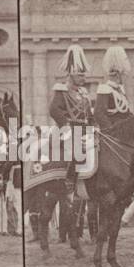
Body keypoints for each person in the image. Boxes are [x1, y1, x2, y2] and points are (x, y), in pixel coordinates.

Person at [49, 44, 95, 198]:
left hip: (84, 131)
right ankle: (69, 182)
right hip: (67, 130)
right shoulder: (61, 91)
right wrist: (66, 126)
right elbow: (54, 110)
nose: (84, 78)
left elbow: (89, 114)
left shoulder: (83, 93)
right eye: (80, 75)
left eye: (84, 75)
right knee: (76, 149)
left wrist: (95, 126)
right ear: (71, 75)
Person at [93, 45, 133, 131]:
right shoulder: (105, 89)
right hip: (112, 135)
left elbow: (126, 114)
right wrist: (111, 131)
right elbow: (99, 114)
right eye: (124, 74)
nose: (126, 77)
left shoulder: (120, 91)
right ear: (118, 74)